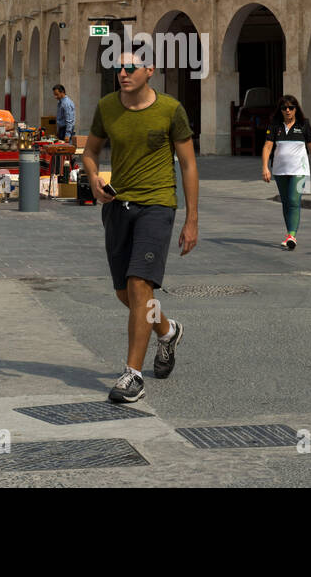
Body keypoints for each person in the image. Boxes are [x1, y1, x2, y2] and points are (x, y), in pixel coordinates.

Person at [82, 51, 198, 404]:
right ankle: (167, 330)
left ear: (150, 70)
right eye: (118, 67)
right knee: (126, 295)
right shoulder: (106, 107)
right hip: (118, 206)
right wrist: (93, 178)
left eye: (130, 67)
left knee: (139, 284)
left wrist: (191, 219)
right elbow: (89, 152)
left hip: (157, 205)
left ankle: (132, 375)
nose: (123, 72)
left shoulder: (170, 110)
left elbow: (189, 165)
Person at [260, 95, 311, 249]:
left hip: (300, 171)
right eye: (284, 108)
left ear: (296, 109)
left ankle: (292, 235)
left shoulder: (304, 124)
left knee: (294, 201)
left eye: (291, 107)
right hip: (280, 171)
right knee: (286, 201)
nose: (288, 110)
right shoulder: (275, 125)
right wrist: (265, 167)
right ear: (280, 110)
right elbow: (268, 146)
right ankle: (289, 233)